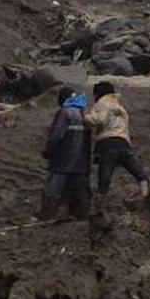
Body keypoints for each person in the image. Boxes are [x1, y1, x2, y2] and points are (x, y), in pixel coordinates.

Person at [85, 82, 150, 200]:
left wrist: (87, 117)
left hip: (107, 143)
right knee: (135, 168)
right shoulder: (119, 106)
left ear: (97, 94)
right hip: (123, 142)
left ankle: (101, 198)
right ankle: (145, 190)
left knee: (105, 173)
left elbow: (100, 120)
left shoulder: (102, 103)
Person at [41, 86, 92, 220]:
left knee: (52, 191)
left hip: (62, 162)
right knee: (81, 193)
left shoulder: (64, 113)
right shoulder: (84, 113)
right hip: (81, 164)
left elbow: (56, 136)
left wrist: (48, 151)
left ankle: (46, 218)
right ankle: (81, 218)